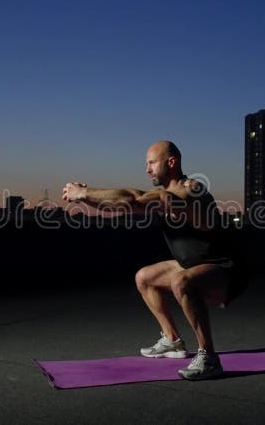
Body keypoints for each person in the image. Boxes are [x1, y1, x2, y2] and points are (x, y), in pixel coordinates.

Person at [61, 140, 246, 380]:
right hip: (192, 265)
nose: (147, 169)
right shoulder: (162, 198)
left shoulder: (192, 190)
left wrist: (84, 191)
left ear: (171, 162)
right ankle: (172, 341)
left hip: (225, 271)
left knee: (181, 281)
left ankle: (209, 358)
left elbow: (134, 198)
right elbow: (123, 206)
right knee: (144, 277)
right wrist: (84, 199)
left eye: (151, 162)